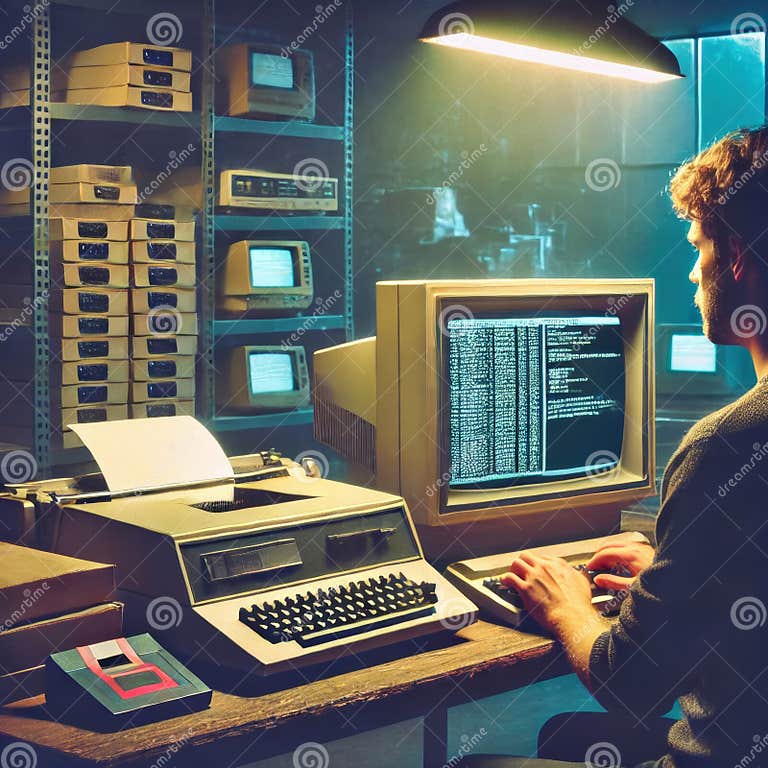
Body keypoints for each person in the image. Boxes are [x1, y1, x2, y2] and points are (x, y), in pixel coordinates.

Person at [463, 126, 768, 768]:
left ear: (737, 255)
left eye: (699, 247)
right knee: (563, 739)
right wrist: (673, 567)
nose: (692, 270)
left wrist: (569, 605)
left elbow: (631, 687)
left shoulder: (728, 447)